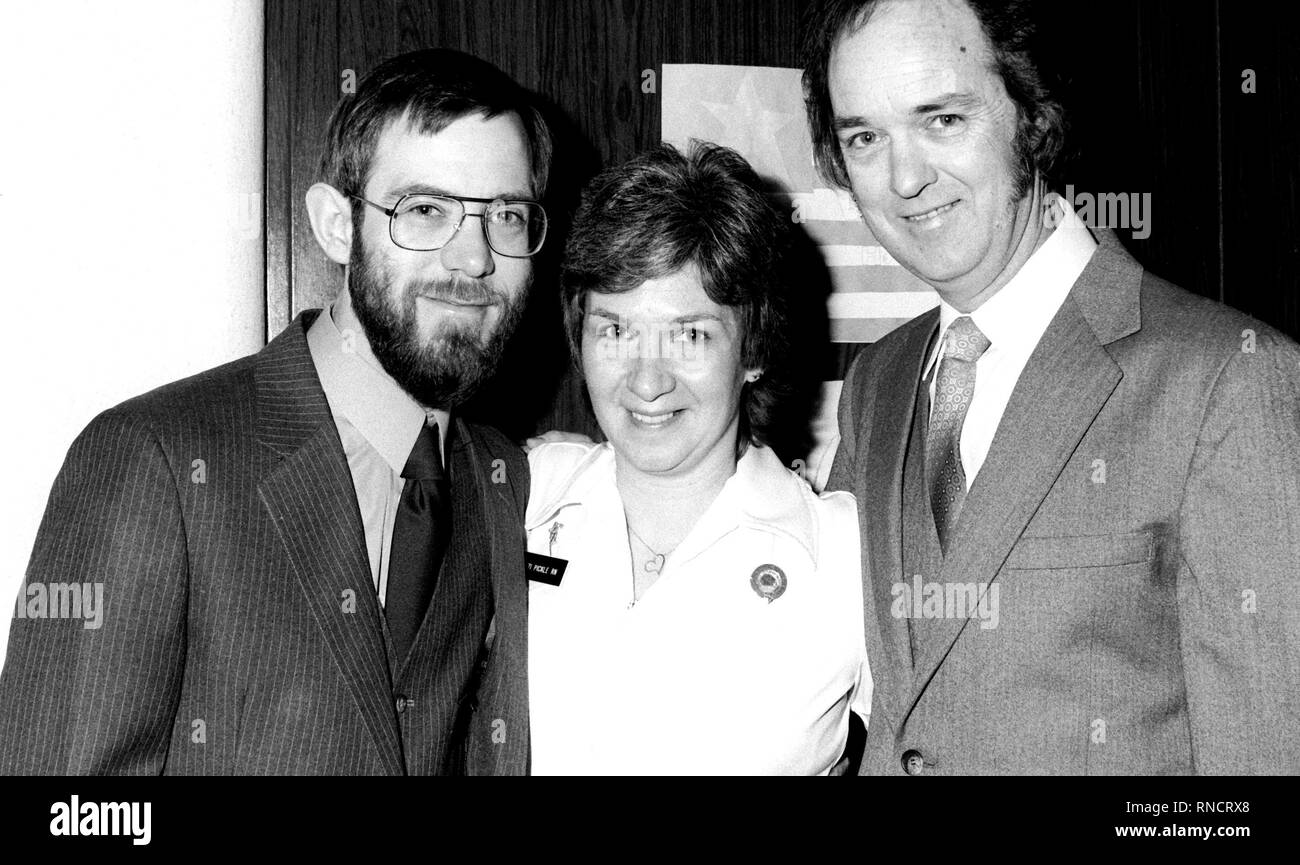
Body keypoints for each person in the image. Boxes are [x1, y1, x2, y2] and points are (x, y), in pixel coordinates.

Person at [802, 0, 1300, 775]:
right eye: (863, 138)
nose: (904, 177)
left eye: (943, 120)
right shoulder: (878, 383)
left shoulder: (1230, 379)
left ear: (1032, 114)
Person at [0, 49, 547, 775]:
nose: (474, 257)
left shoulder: (501, 477)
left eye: (505, 215)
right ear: (335, 226)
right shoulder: (152, 459)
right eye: (425, 209)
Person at [525, 141, 868, 775]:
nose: (647, 380)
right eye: (617, 330)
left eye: (690, 334)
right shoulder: (522, 495)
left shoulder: (844, 555)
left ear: (754, 350)